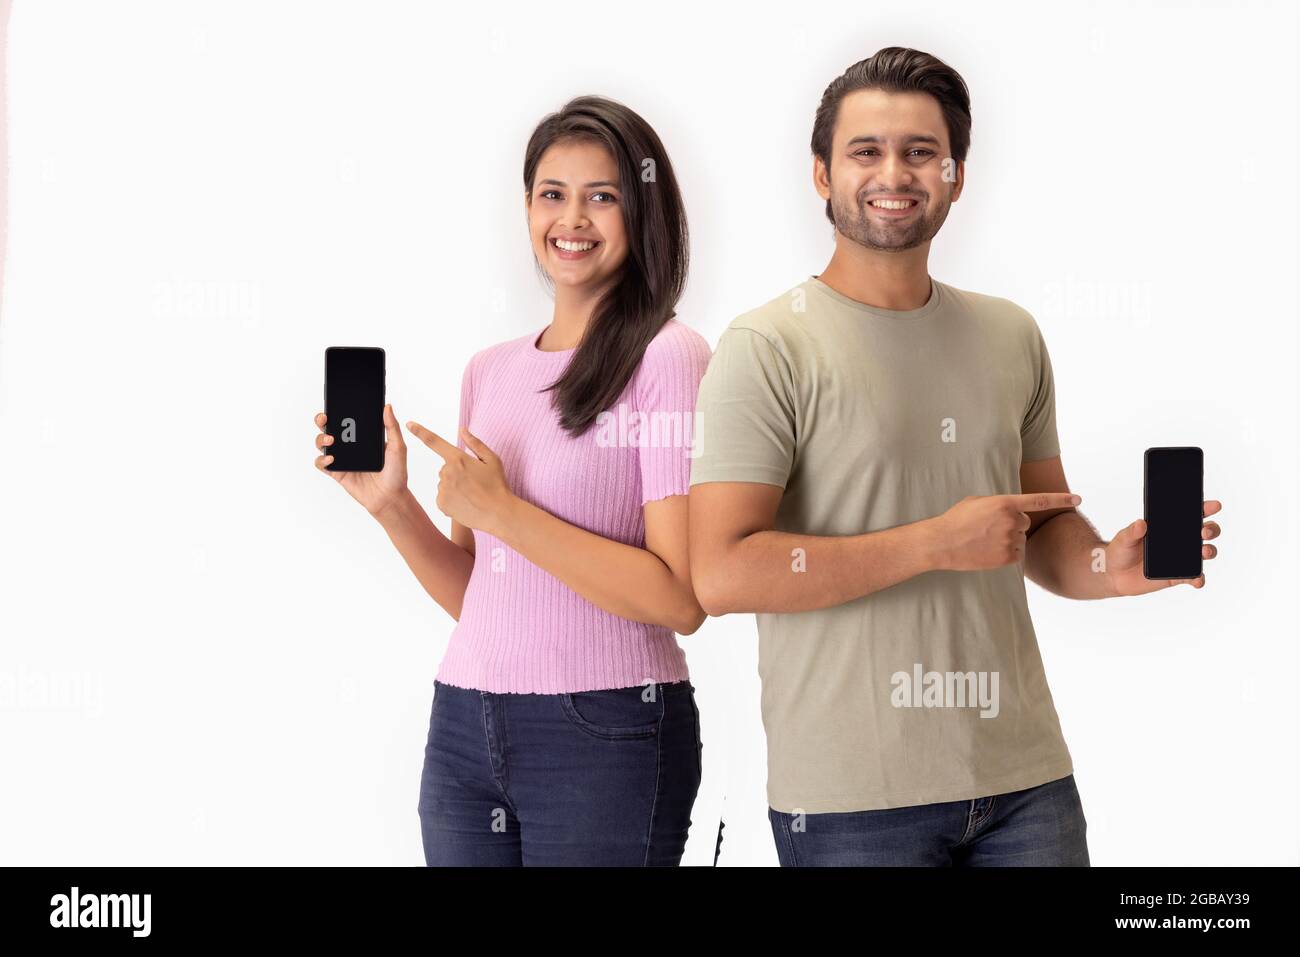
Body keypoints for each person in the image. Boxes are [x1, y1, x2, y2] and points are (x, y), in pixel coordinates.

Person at [687, 47, 1223, 866]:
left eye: (920, 151)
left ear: (956, 174)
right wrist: (937, 542)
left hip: (1026, 781)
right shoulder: (766, 345)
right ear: (823, 175)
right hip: (850, 800)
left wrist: (1111, 566)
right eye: (866, 150)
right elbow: (721, 573)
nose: (893, 172)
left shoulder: (1011, 333)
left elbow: (1041, 526)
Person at [314, 95, 710, 866]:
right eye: (551, 194)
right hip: (465, 722)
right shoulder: (490, 371)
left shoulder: (669, 358)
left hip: (607, 726)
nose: (574, 218)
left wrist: (506, 511)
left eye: (604, 196)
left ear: (643, 210)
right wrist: (394, 508)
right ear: (527, 207)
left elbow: (681, 596)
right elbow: (482, 594)